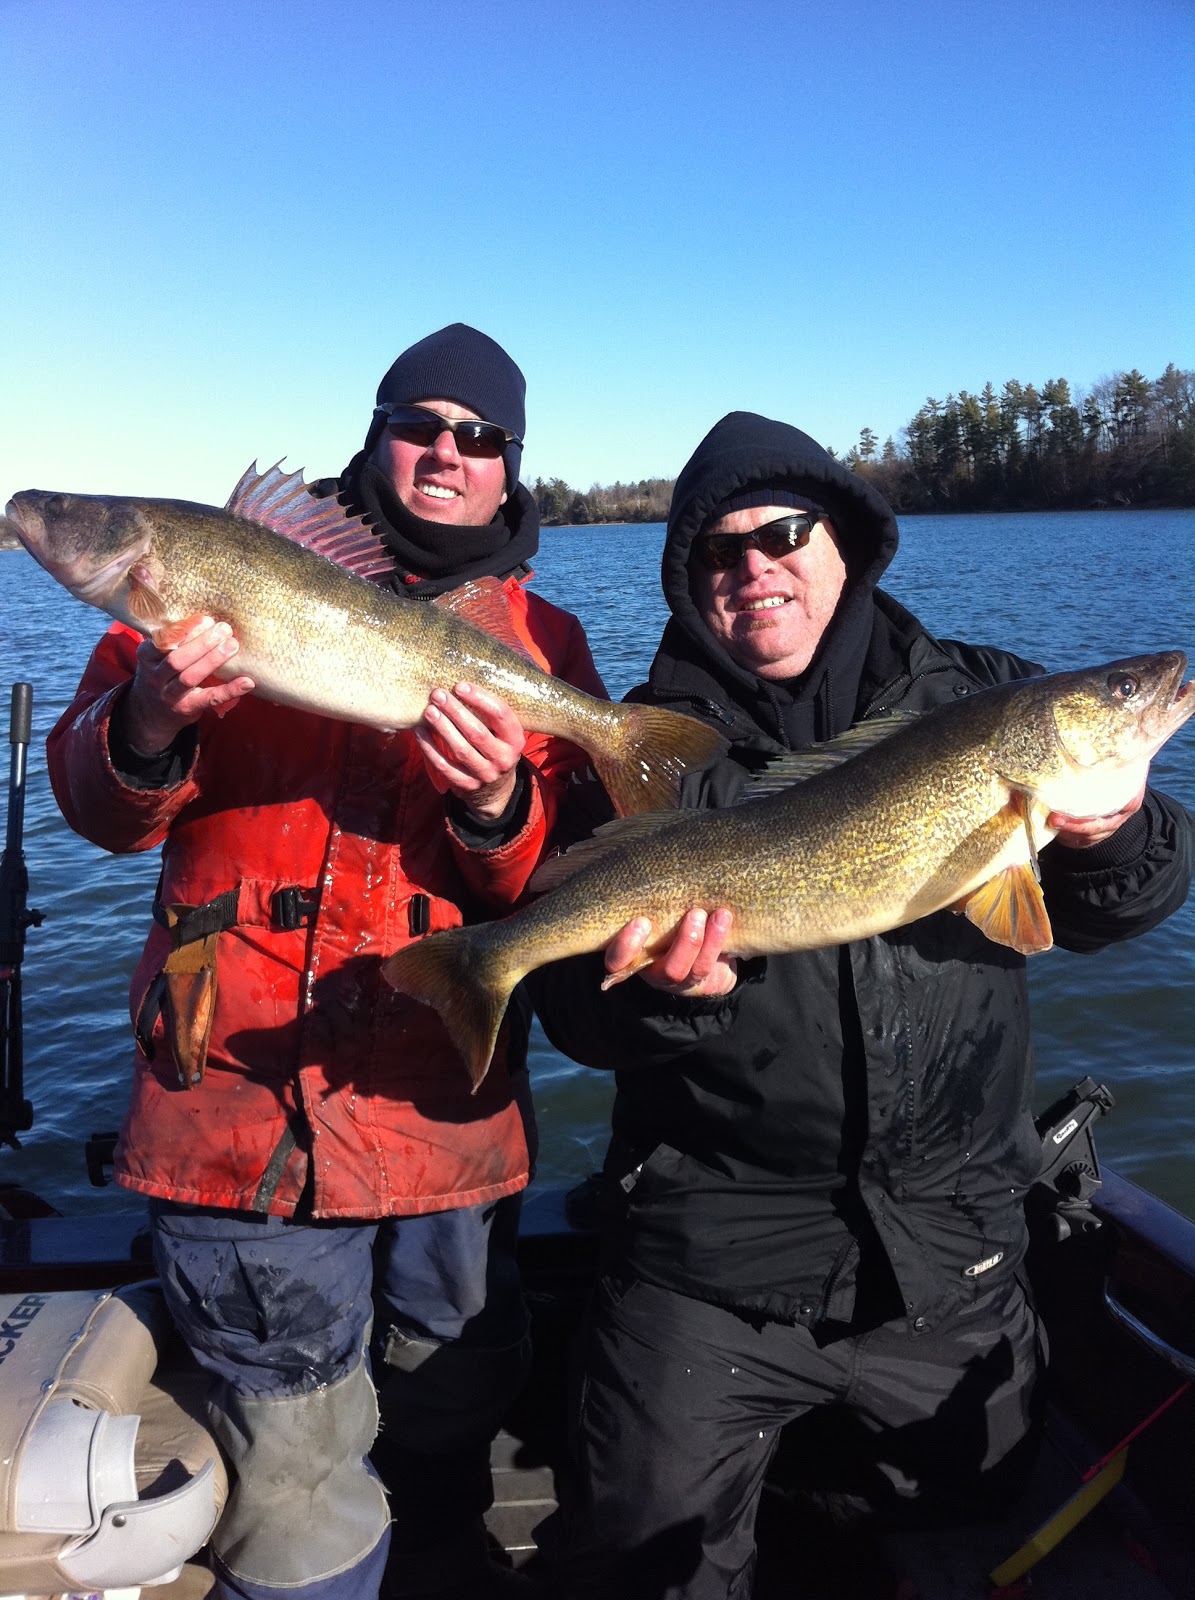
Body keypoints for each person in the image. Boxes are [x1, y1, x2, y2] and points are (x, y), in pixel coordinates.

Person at [527, 410, 1194, 1600]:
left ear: (847, 540)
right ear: (688, 582)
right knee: (636, 1560)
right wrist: (664, 1000)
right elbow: (580, 1017)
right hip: (705, 1261)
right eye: (718, 553)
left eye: (784, 531)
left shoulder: (988, 696)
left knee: (968, 1531)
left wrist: (1117, 827)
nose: (756, 567)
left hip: (953, 1248)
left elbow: (1111, 912)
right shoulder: (648, 754)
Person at [46, 324, 607, 1600]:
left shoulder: (543, 643)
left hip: (440, 1115)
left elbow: (566, 882)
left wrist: (495, 808)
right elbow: (95, 801)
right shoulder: (206, 581)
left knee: (452, 1400)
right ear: (378, 430)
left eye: (481, 437)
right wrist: (145, 722)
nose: (446, 453)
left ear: (511, 467)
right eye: (422, 422)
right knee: (294, 1481)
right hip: (238, 1119)